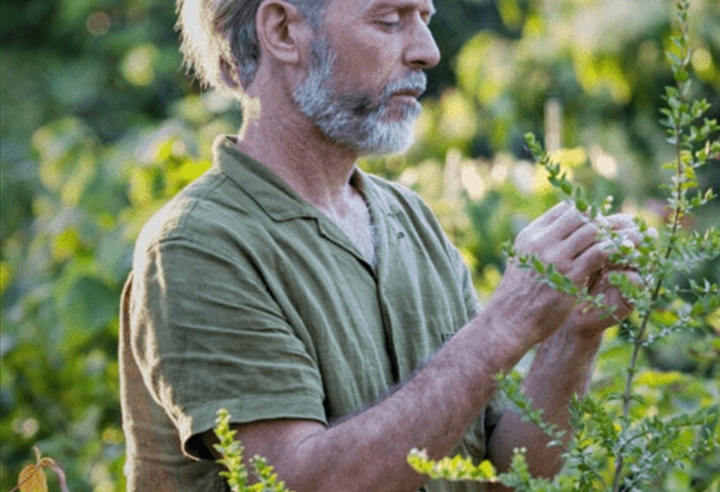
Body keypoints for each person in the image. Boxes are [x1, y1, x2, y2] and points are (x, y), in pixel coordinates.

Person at [119, 0, 642, 490]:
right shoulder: (198, 246)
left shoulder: (408, 218)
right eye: (390, 19)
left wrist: (574, 336)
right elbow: (299, 483)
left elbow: (506, 475)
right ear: (282, 31)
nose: (428, 50)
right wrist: (504, 326)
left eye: (424, 15)